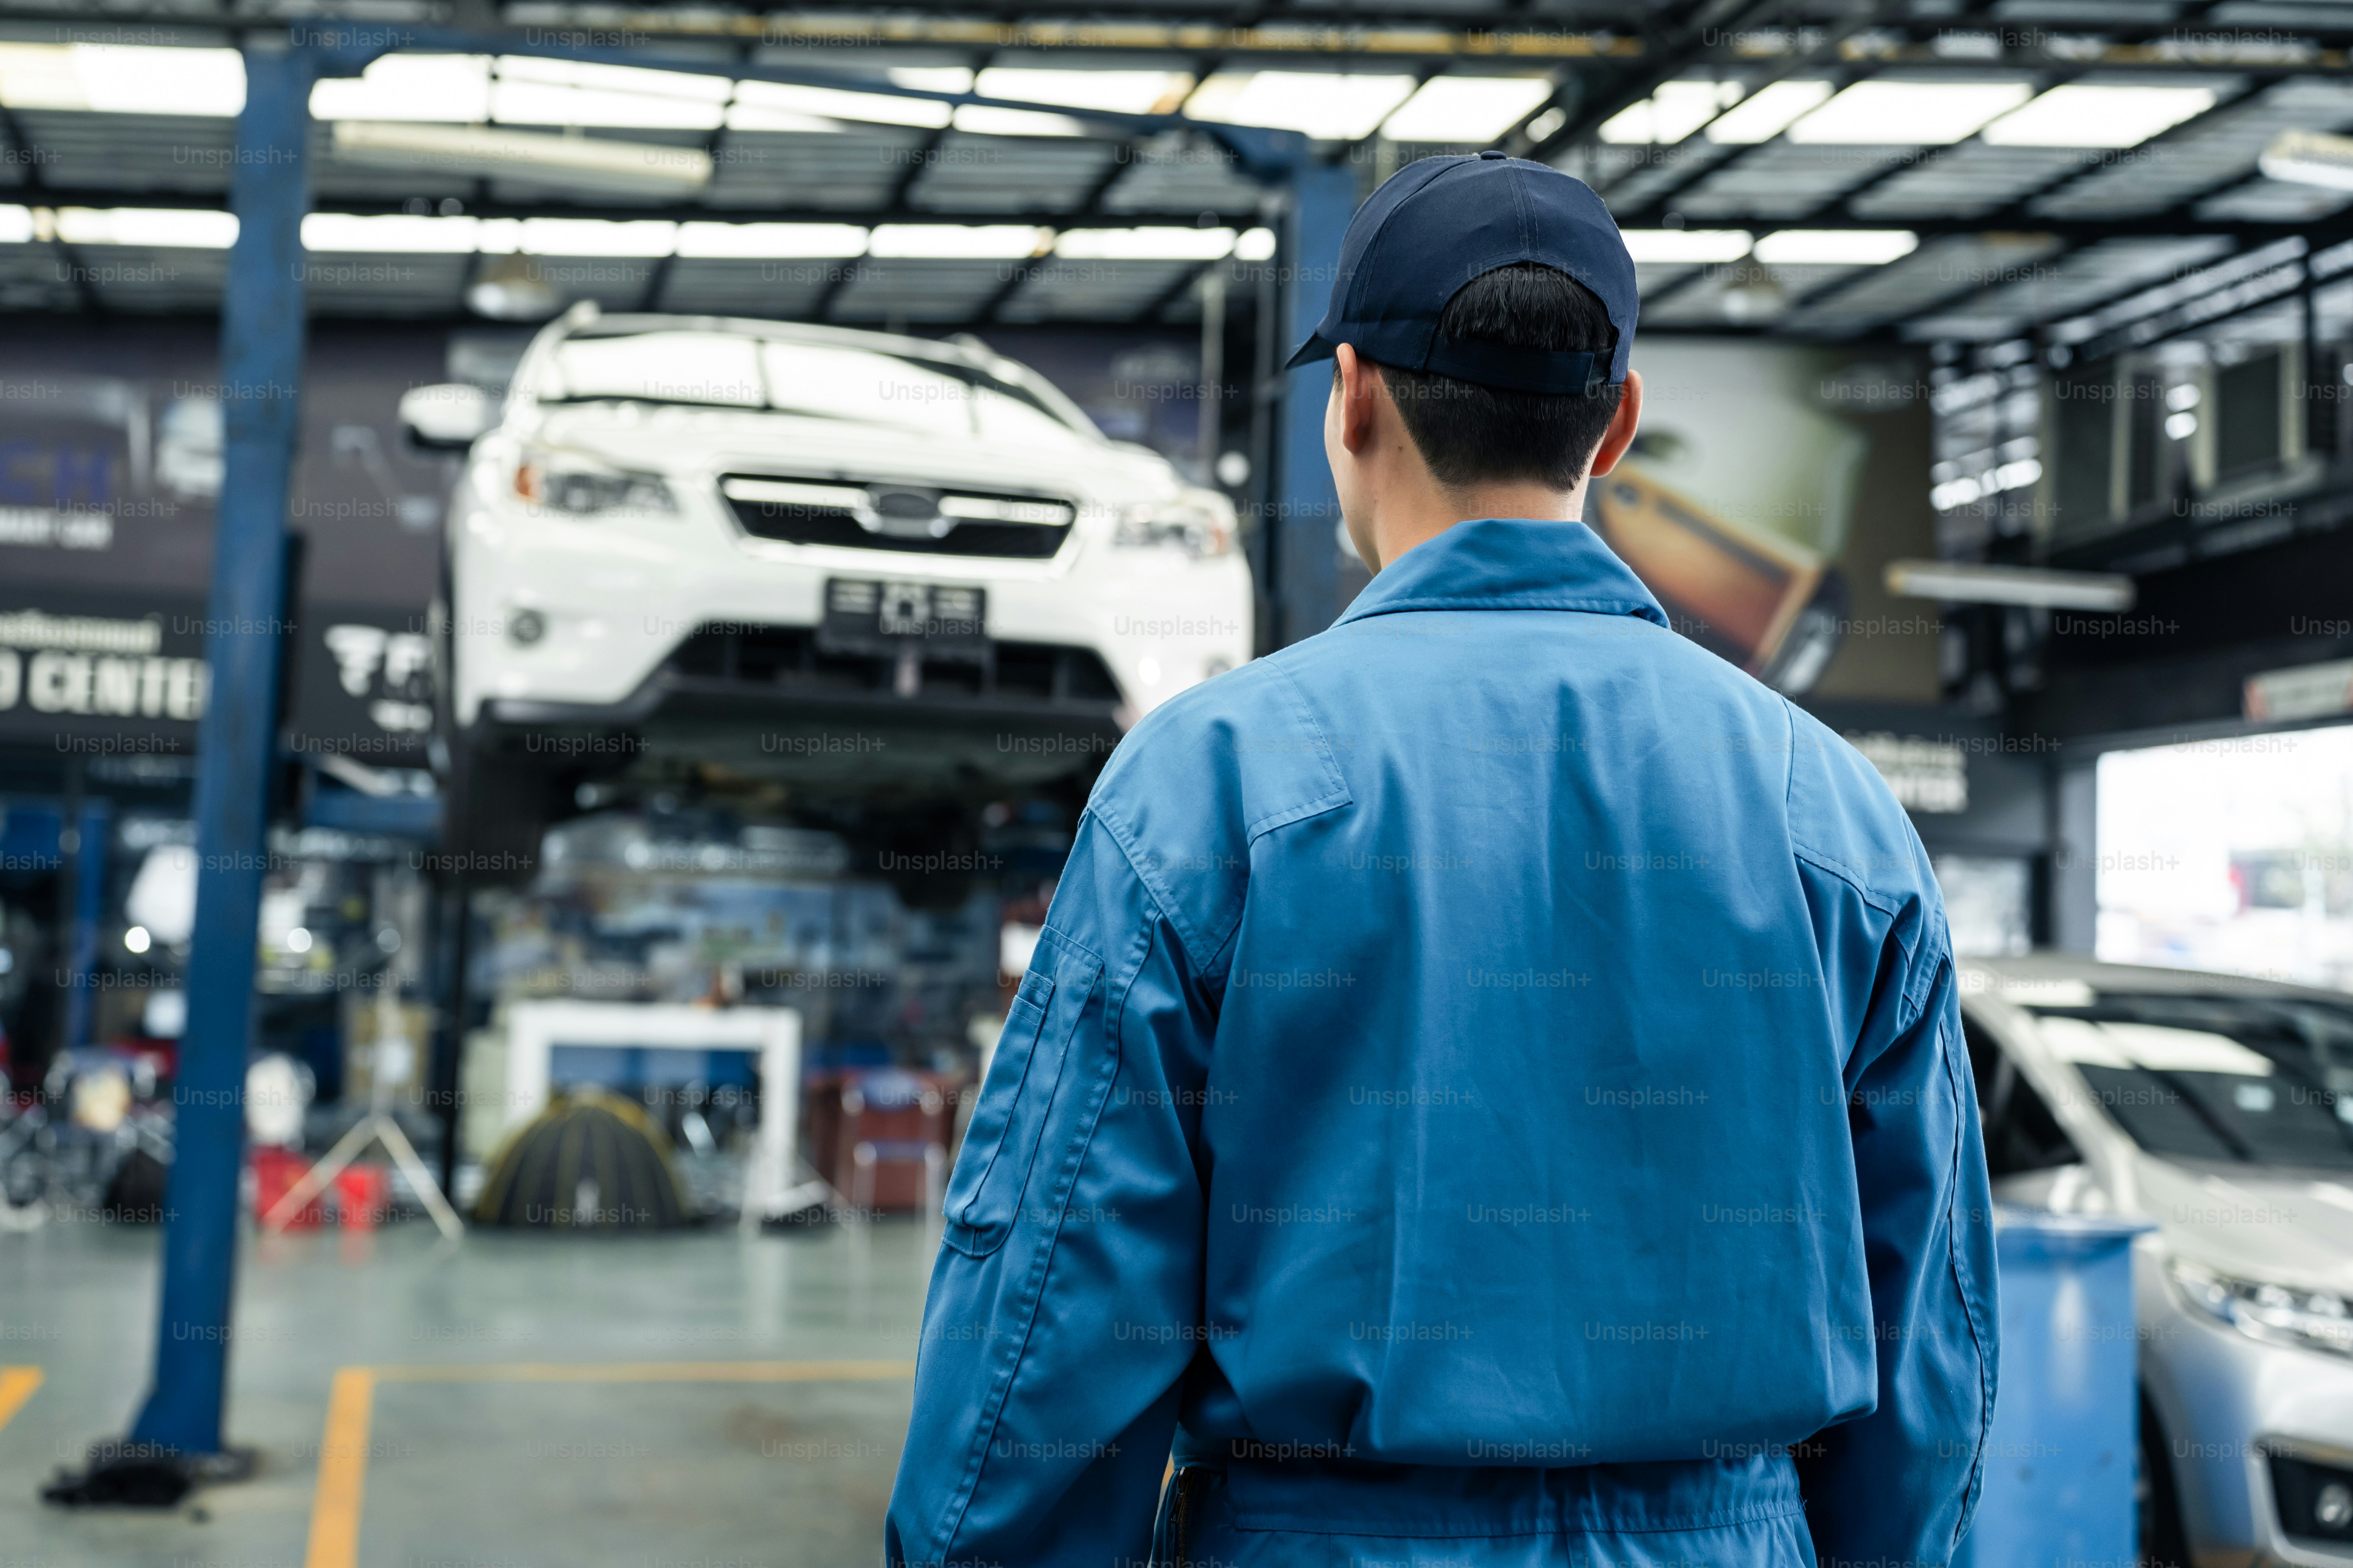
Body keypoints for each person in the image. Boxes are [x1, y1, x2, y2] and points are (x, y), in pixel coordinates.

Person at [886, 152, 1996, 1568]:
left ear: (1350, 397)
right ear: (1617, 428)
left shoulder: (1209, 791)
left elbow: (1047, 1333)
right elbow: (1932, 1360)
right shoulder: (1837, 819)